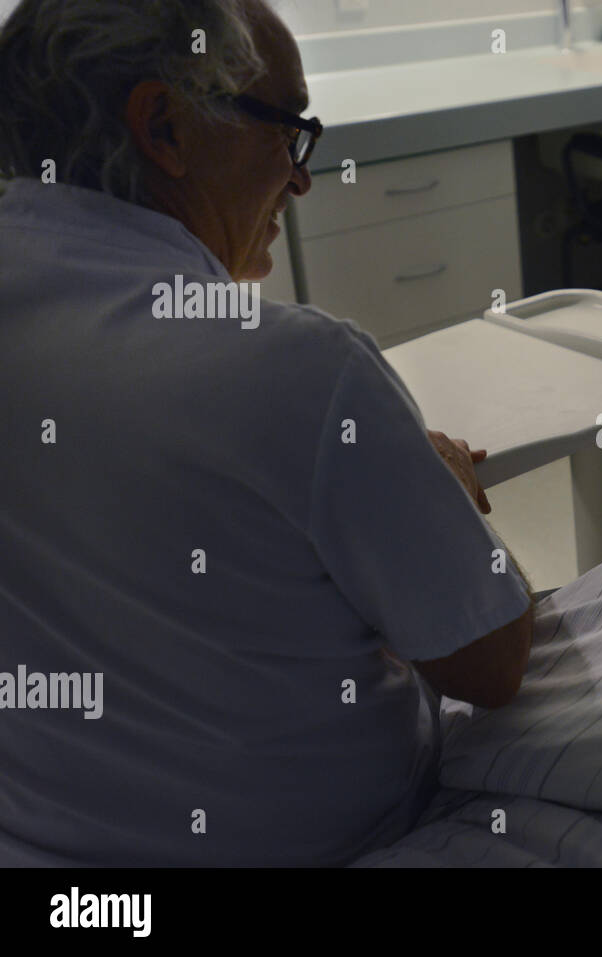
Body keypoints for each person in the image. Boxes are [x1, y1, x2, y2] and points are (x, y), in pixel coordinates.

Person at [0, 0, 532, 865]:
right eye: (288, 131)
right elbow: (493, 665)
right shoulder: (299, 371)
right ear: (164, 128)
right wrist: (439, 490)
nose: (301, 178)